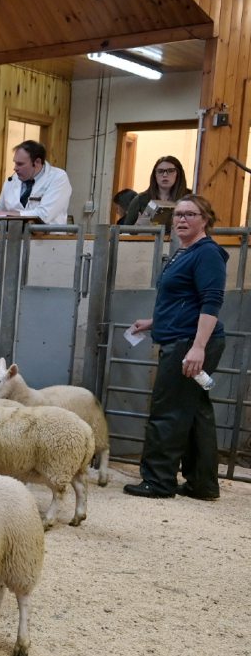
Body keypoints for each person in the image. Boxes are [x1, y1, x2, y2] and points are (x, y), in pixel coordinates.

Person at [123, 194, 226, 501]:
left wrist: (197, 348)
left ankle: (158, 481)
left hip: (188, 344)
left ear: (205, 219)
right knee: (195, 412)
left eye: (190, 214)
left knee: (167, 411)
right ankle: (202, 483)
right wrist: (155, 322)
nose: (182, 219)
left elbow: (211, 301)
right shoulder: (185, 252)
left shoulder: (207, 253)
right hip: (181, 337)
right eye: (178, 214)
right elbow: (186, 301)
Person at [0, 139, 72, 225]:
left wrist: (13, 215)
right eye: (15, 163)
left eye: (20, 164)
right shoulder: (11, 180)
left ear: (37, 162)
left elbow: (44, 215)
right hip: (13, 236)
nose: (15, 168)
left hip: (46, 237)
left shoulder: (58, 178)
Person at [119, 156, 189, 227]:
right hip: (147, 237)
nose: (165, 175)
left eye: (170, 171)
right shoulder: (141, 200)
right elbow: (125, 233)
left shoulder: (189, 198)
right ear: (155, 175)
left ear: (178, 173)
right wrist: (137, 226)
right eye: (160, 171)